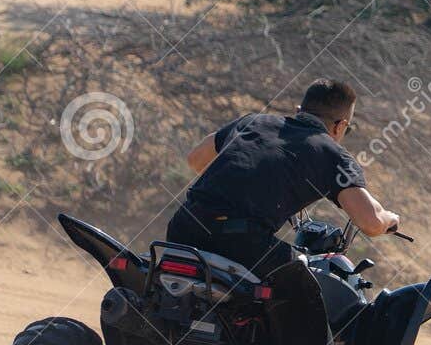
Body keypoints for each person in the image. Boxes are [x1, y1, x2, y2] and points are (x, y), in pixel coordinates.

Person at [166, 79, 400, 278]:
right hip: (242, 244)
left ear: (299, 109)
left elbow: (195, 160)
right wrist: (389, 219)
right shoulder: (333, 154)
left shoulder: (253, 122)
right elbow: (371, 222)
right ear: (340, 126)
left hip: (184, 226)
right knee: (309, 286)